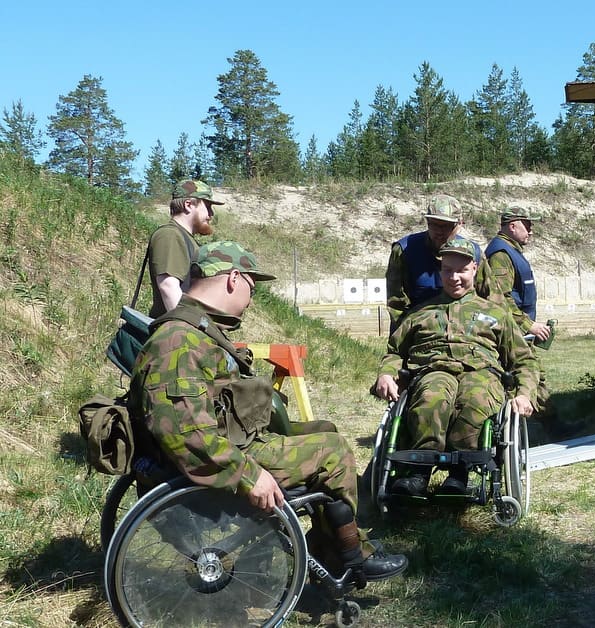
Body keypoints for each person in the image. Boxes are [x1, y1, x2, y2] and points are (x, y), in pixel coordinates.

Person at [129, 240, 407, 583]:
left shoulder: (195, 330)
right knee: (332, 452)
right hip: (220, 462)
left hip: (233, 441)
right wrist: (248, 474)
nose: (252, 295)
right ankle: (349, 556)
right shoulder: (179, 341)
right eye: (251, 285)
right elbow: (184, 433)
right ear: (233, 278)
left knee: (326, 429)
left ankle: (332, 545)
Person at [373, 236, 539, 497]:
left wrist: (525, 393)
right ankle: (419, 472)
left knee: (475, 399)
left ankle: (459, 474)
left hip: (482, 373)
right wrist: (386, 374)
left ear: (474, 269)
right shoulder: (420, 313)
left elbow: (523, 360)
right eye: (447, 270)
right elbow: (395, 351)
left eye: (461, 270)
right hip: (433, 370)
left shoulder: (496, 314)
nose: (454, 278)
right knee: (431, 397)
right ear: (440, 271)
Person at [384, 194, 501, 334]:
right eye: (433, 224)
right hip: (420, 333)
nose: (439, 231)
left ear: (459, 225)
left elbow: (493, 299)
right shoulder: (404, 251)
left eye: (446, 226)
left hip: (465, 335)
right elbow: (397, 304)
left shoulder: (473, 253)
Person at [485, 206, 554, 416]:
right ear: (512, 226)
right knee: (530, 373)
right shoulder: (501, 255)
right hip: (512, 330)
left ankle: (549, 424)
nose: (531, 231)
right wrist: (528, 324)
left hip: (518, 329)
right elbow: (500, 298)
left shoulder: (510, 251)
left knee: (531, 376)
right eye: (528, 225)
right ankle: (552, 427)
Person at [147, 180, 219, 318]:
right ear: (188, 205)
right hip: (173, 334)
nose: (211, 214)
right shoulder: (170, 235)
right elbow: (168, 287)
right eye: (208, 206)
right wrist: (187, 331)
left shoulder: (186, 239)